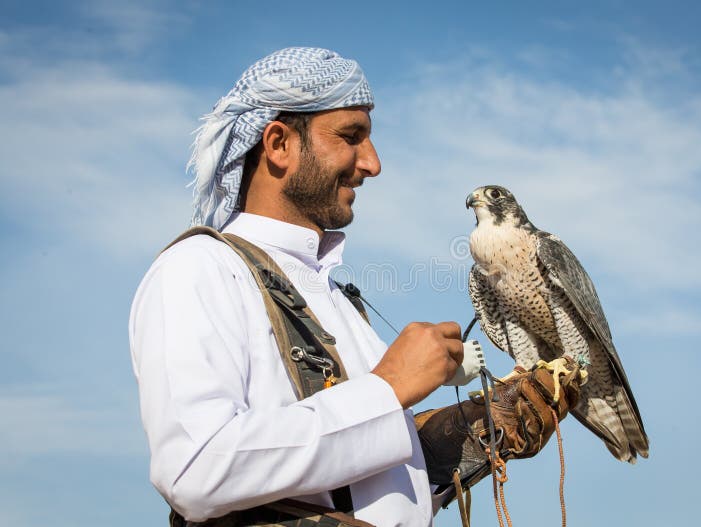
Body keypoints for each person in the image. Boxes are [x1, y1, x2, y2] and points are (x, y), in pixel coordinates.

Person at [129, 47, 580, 527]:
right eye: (350, 137)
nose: (373, 163)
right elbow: (196, 469)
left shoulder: (335, 299)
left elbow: (363, 493)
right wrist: (389, 389)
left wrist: (463, 438)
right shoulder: (200, 269)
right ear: (279, 144)